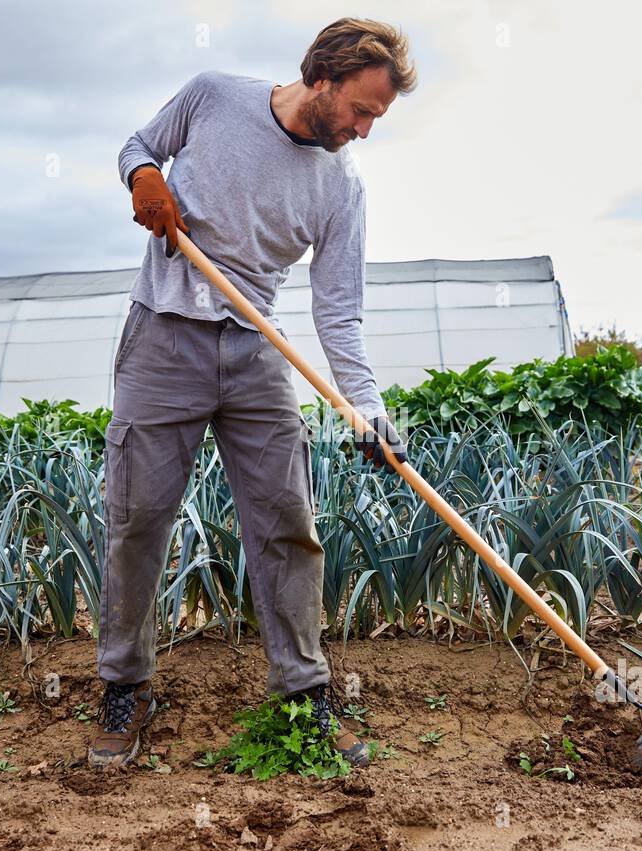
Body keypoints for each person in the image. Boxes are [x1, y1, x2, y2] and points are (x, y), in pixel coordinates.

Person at [89, 17, 416, 769]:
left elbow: (339, 313)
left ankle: (303, 693)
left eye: (377, 119)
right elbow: (137, 146)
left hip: (254, 346)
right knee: (137, 518)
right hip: (163, 336)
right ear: (323, 78)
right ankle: (124, 686)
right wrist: (144, 179)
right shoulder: (212, 99)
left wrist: (367, 412)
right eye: (361, 111)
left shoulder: (341, 187)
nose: (365, 130)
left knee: (286, 523)